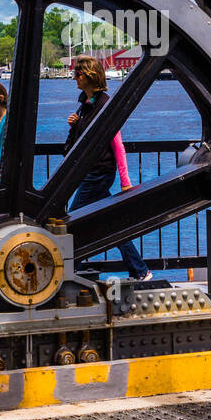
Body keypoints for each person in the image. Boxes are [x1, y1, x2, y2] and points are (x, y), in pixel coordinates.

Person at [65, 56, 150, 281]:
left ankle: (69, 271)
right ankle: (140, 270)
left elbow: (117, 144)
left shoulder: (104, 105)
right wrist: (75, 124)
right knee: (110, 223)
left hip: (98, 172)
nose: (74, 77)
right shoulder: (86, 104)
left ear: (89, 76)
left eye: (78, 74)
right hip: (92, 172)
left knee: (73, 220)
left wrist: (125, 181)